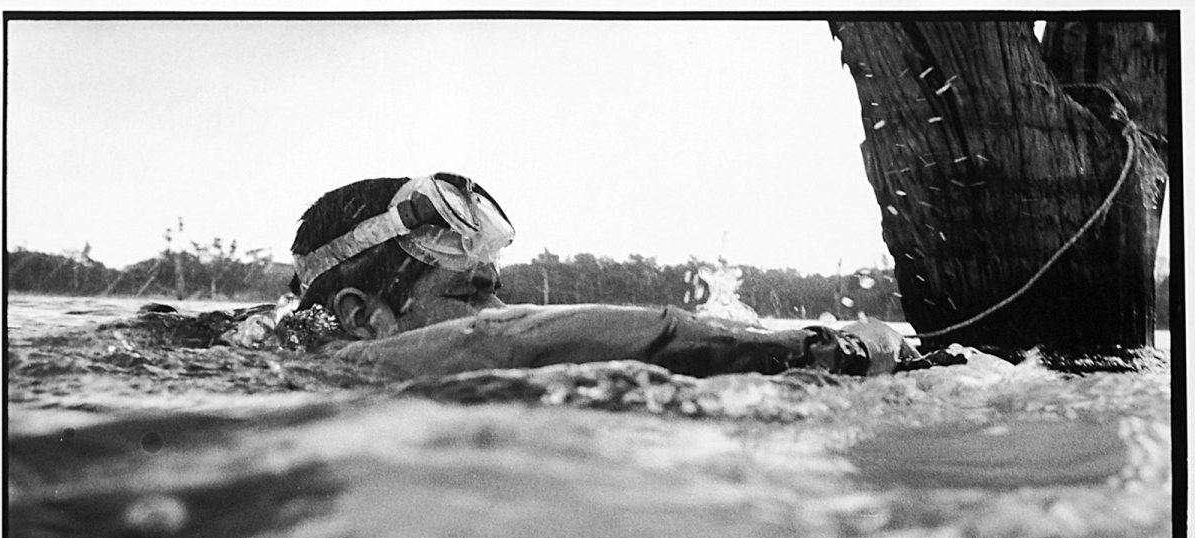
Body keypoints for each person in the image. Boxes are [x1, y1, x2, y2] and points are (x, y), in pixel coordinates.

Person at [276, 172, 954, 379]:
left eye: (495, 295)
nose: (499, 309)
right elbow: (506, 342)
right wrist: (833, 350)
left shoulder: (303, 361)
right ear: (366, 315)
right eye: (470, 294)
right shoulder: (347, 365)